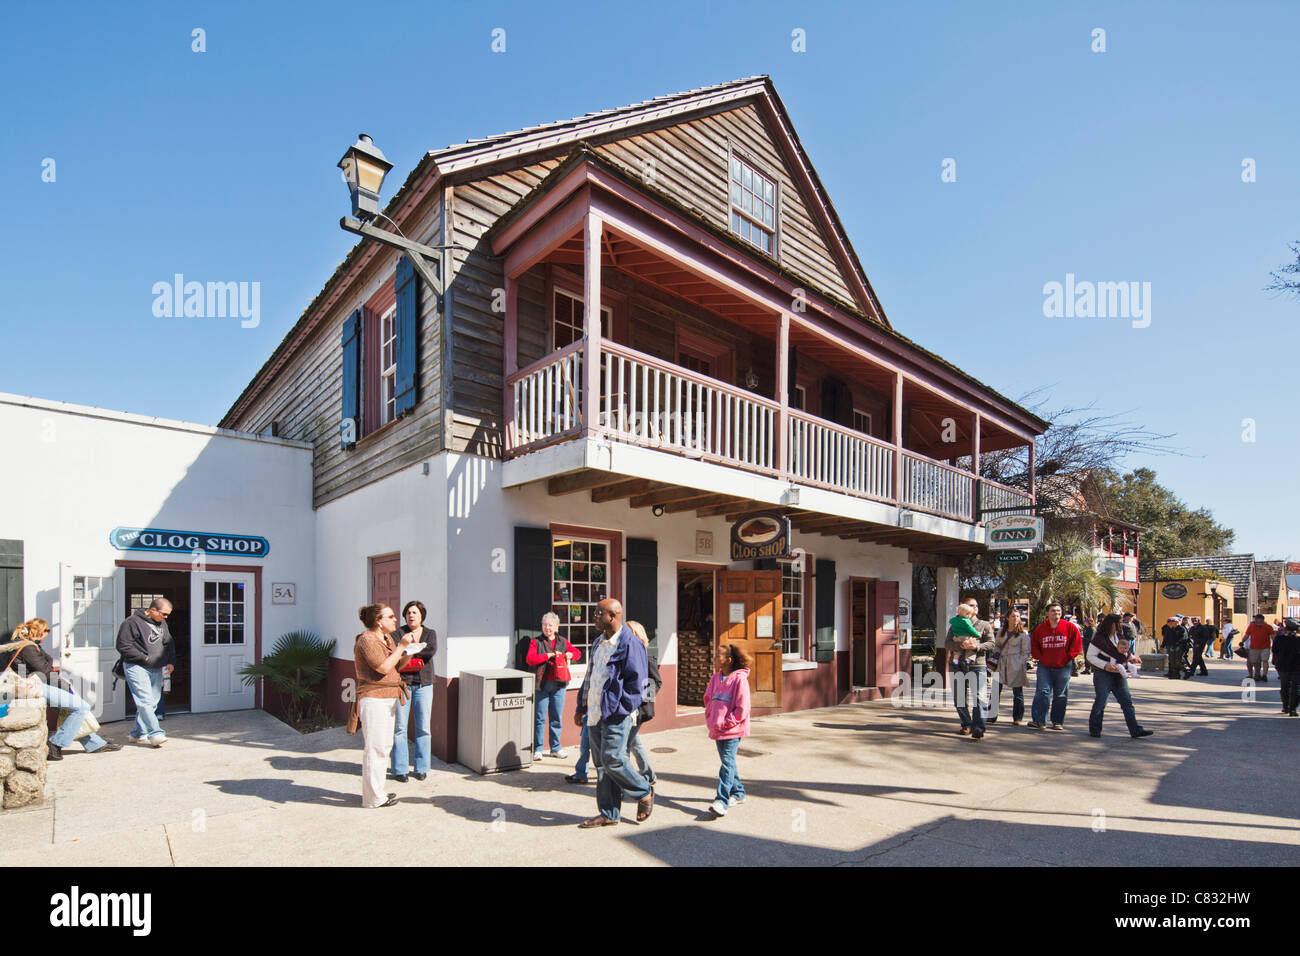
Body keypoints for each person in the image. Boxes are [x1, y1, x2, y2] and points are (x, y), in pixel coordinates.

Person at [573, 599, 652, 828]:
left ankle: (643, 790)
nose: (594, 617)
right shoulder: (598, 642)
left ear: (613, 616)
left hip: (616, 714)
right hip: (595, 712)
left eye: (599, 614)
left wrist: (621, 708)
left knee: (614, 760)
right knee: (601, 765)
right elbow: (590, 677)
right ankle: (609, 813)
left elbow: (637, 684)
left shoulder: (630, 644)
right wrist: (581, 706)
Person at [3, 619, 122, 759]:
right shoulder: (28, 647)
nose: (47, 633)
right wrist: (64, 686)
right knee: (81, 707)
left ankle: (95, 743)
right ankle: (56, 743)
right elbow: (44, 672)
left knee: (68, 712)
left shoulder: (28, 645)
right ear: (40, 631)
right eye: (47, 630)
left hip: (39, 684)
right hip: (37, 686)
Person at [353, 604, 416, 809]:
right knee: (376, 748)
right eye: (391, 616)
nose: (396, 619)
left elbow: (397, 665)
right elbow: (382, 667)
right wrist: (401, 647)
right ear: (378, 621)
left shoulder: (387, 638)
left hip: (387, 698)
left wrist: (408, 652)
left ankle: (377, 792)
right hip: (374, 699)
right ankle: (372, 799)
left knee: (384, 747)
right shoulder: (367, 640)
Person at [115, 597, 176, 747]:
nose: (166, 617)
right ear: (152, 609)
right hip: (136, 666)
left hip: (156, 667)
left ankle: (137, 733)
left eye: (168, 615)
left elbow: (168, 643)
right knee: (145, 700)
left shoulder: (162, 623)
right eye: (164, 614)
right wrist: (145, 658)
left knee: (153, 702)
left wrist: (170, 661)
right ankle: (155, 733)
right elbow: (123, 646)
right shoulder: (131, 622)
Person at [1086, 613, 1154, 739]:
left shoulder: (1120, 636)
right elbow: (1090, 656)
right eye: (1119, 622)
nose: (1121, 624)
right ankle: (1095, 729)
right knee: (1101, 702)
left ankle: (1135, 730)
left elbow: (1124, 652)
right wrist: (1105, 665)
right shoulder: (1099, 639)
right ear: (1112, 623)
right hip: (1103, 674)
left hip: (1119, 674)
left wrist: (1132, 658)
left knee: (1127, 702)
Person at [391, 600, 437, 782]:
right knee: (400, 728)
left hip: (424, 685)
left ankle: (421, 767)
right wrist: (414, 648)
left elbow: (430, 651)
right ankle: (400, 769)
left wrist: (408, 650)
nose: (411, 615)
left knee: (423, 727)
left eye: (415, 612)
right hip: (403, 684)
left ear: (421, 615)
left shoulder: (430, 633)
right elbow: (396, 653)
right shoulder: (398, 633)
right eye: (408, 612)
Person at [705, 643, 752, 816]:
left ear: (729, 660)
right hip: (717, 729)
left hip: (733, 730)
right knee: (729, 763)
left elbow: (742, 709)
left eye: (719, 655)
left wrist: (726, 723)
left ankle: (721, 801)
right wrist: (711, 717)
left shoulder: (740, 679)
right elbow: (708, 698)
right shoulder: (715, 678)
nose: (715, 658)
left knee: (726, 763)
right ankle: (738, 793)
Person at [526, 611, 579, 762]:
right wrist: (548, 656)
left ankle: (555, 748)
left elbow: (576, 653)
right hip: (542, 685)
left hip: (559, 685)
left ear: (556, 627)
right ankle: (538, 749)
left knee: (556, 718)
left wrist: (570, 655)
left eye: (550, 625)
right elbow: (530, 659)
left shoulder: (563, 641)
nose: (547, 628)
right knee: (540, 718)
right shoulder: (536, 642)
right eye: (544, 625)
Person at [1029, 602, 1082, 730]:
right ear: (1047, 613)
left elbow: (1077, 645)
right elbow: (1034, 644)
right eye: (1053, 611)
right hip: (1045, 666)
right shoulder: (1041, 628)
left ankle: (1057, 721)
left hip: (1063, 666)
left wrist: (1067, 658)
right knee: (1042, 692)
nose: (1056, 613)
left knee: (1061, 694)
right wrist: (1040, 657)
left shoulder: (1070, 627)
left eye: (1058, 611)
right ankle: (1039, 720)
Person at [947, 602, 994, 739]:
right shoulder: (955, 624)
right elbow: (947, 643)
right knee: (959, 698)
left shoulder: (984, 625)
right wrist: (960, 645)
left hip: (977, 665)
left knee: (979, 697)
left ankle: (978, 727)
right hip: (957, 665)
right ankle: (966, 724)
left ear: (977, 609)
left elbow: (991, 643)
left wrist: (976, 647)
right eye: (969, 605)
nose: (972, 607)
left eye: (974, 605)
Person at [625, 620, 661, 788]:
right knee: (634, 742)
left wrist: (641, 700)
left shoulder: (646, 655)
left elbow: (656, 681)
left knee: (623, 746)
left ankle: (625, 781)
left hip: (638, 709)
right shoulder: (627, 654)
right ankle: (649, 774)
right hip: (628, 709)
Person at [988, 611, 1031, 725]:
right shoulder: (1001, 631)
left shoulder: (1023, 633)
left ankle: (1018, 717)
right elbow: (996, 645)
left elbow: (1026, 651)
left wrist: (1020, 663)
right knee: (995, 690)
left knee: (1017, 692)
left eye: (1017, 616)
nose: (1015, 618)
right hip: (1001, 663)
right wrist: (996, 654)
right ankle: (991, 715)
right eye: (1013, 616)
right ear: (1007, 618)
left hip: (1015, 663)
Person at [1271, 620, 1300, 716]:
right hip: (1297, 667)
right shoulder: (1298, 640)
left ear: (1286, 628)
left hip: (1283, 666)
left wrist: (1275, 661)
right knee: (1296, 688)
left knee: (1284, 686)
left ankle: (1285, 706)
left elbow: (1274, 650)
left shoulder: (1279, 639)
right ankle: (1293, 709)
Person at [1242, 614, 1273, 682]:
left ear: (1262, 620)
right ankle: (1257, 674)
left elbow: (1272, 636)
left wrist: (1275, 644)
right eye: (1256, 620)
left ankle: (1264, 675)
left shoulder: (1268, 627)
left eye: (1259, 621)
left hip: (1265, 647)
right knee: (1255, 662)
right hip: (1254, 648)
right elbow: (1247, 635)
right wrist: (1242, 641)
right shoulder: (1251, 626)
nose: (1258, 622)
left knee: (1265, 661)